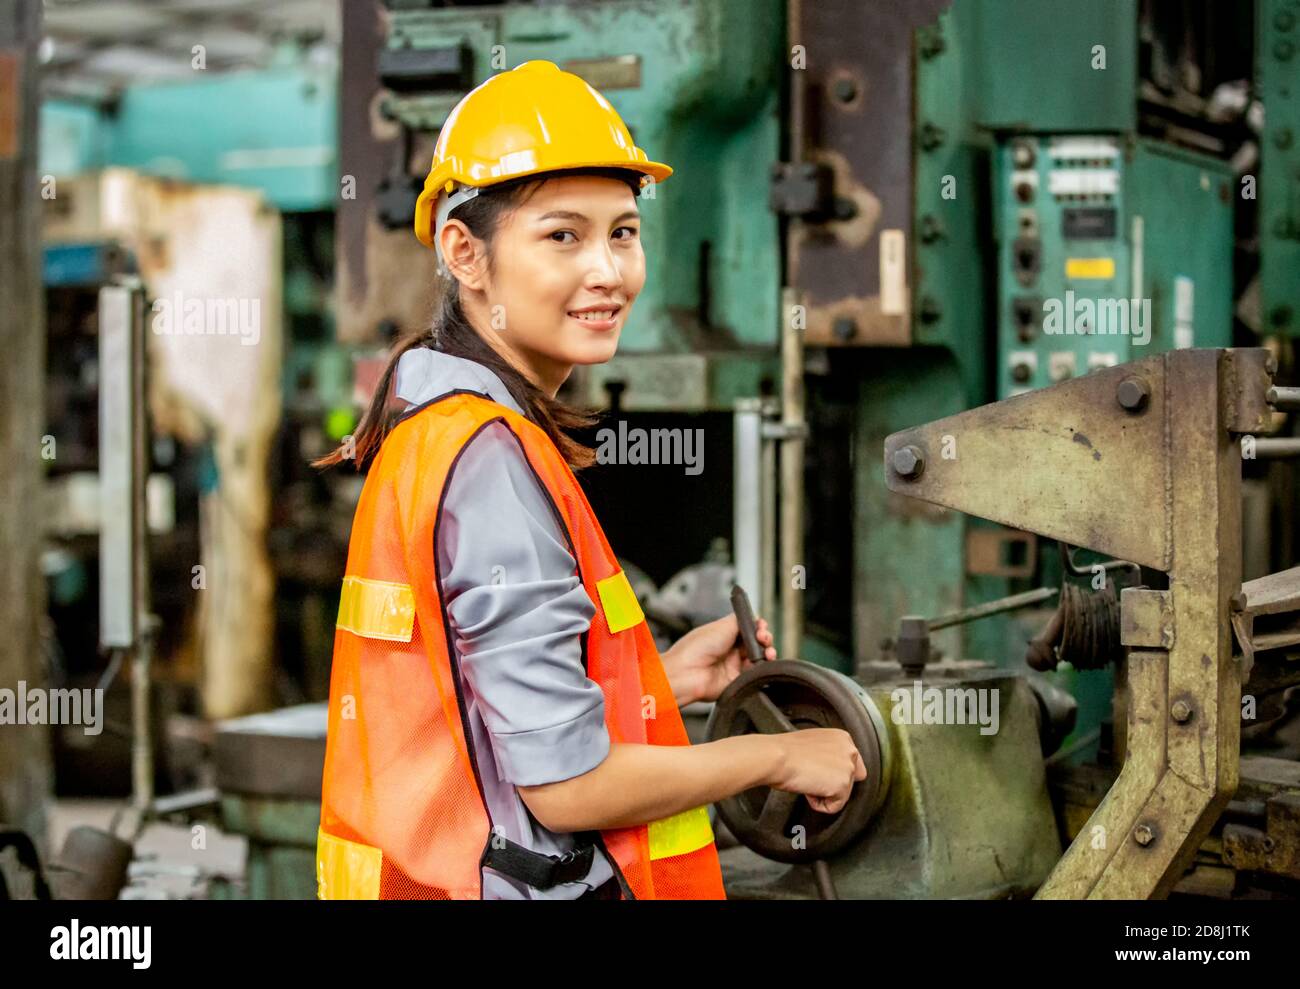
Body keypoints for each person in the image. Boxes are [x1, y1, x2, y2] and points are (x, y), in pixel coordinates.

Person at [313, 60, 865, 900]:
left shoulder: (436, 424)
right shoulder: (488, 458)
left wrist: (661, 679)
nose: (608, 271)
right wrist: (783, 753)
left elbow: (478, 704)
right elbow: (563, 789)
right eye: (562, 236)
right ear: (466, 253)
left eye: (623, 232)